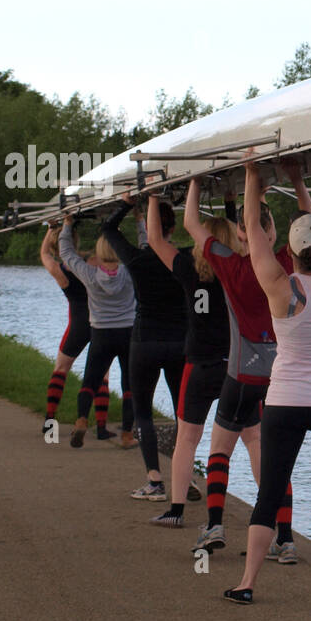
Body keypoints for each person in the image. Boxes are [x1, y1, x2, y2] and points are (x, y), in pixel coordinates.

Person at [221, 150, 311, 605]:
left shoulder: (279, 285)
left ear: (292, 248)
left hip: (284, 401)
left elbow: (252, 232)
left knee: (269, 493)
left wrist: (252, 178)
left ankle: (247, 584)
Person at [183, 164, 298, 560]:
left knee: (219, 451)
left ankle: (214, 525)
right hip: (277, 378)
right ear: (274, 233)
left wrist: (196, 182)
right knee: (274, 460)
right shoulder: (286, 261)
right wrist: (295, 181)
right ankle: (286, 539)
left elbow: (190, 223)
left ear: (240, 233)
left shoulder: (229, 264)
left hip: (239, 374)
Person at [145, 187, 239, 527]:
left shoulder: (188, 268)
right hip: (236, 368)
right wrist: (233, 202)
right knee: (254, 439)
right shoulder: (240, 271)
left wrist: (154, 198)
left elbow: (155, 239)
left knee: (187, 438)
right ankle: (277, 521)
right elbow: (241, 234)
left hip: (198, 364)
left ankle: (177, 510)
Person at [101, 196, 189, 502]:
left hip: (145, 342)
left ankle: (155, 481)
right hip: (180, 343)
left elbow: (108, 228)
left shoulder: (136, 260)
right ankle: (183, 474)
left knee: (143, 413)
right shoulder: (184, 259)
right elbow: (220, 239)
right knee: (184, 416)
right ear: (173, 227)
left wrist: (127, 203)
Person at [59, 216, 137, 449]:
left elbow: (66, 254)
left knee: (90, 380)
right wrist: (141, 222)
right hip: (128, 333)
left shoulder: (89, 274)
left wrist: (67, 225)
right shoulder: (131, 269)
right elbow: (146, 247)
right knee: (129, 384)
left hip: (101, 334)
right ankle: (126, 434)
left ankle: (82, 419)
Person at [39, 222, 109, 425]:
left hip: (78, 325)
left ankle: (50, 417)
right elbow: (105, 253)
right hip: (99, 323)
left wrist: (49, 230)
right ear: (75, 240)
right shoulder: (89, 264)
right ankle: (102, 426)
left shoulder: (60, 271)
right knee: (102, 374)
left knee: (61, 369)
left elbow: (45, 255)